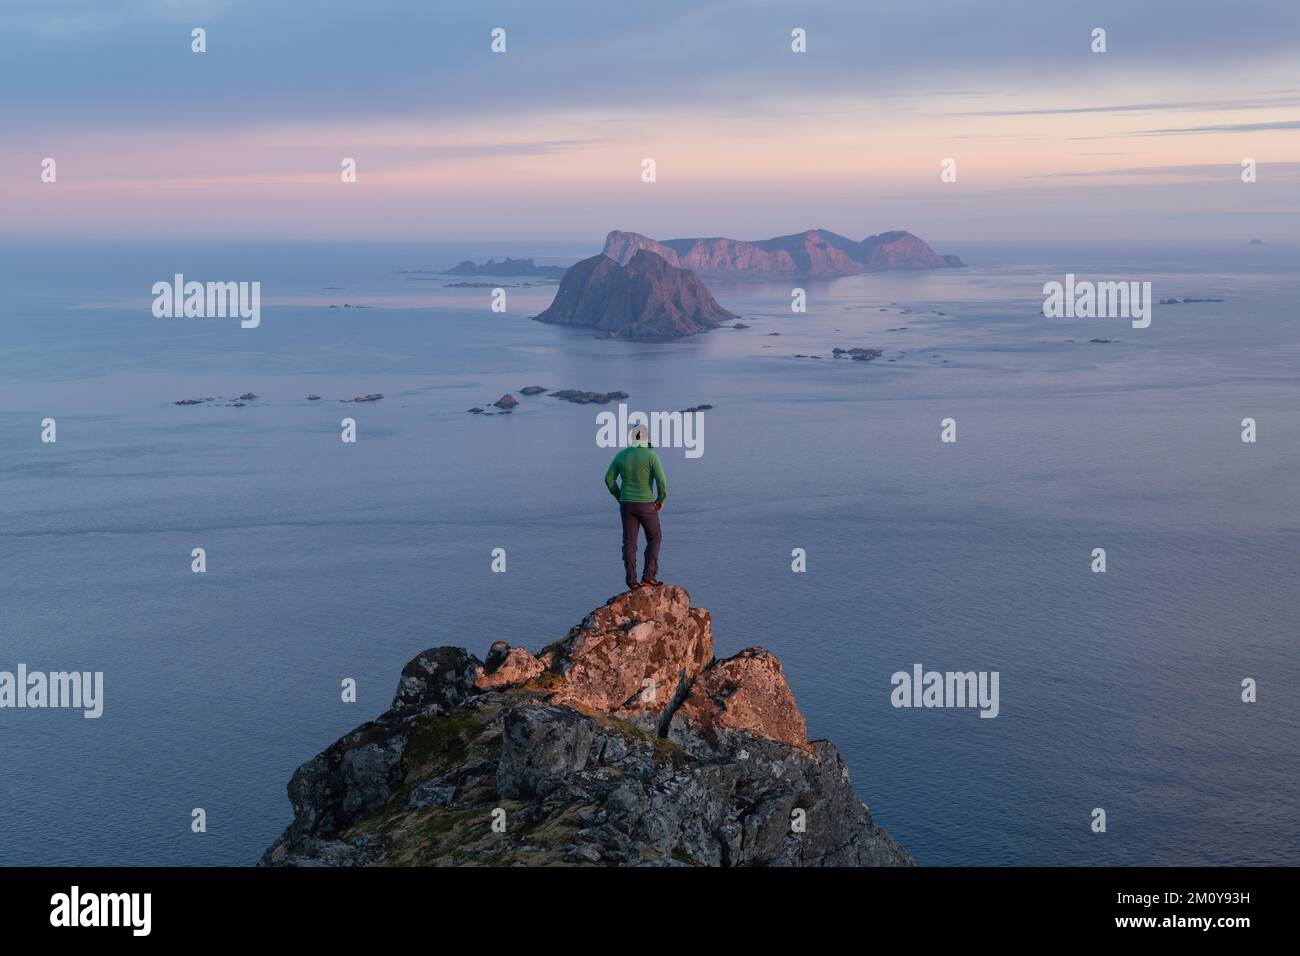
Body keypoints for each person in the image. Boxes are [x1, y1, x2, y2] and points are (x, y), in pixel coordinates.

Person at [603, 424, 667, 590]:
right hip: (646, 503)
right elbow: (661, 481)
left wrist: (619, 496)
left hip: (626, 505)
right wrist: (660, 499)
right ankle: (648, 576)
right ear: (646, 438)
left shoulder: (621, 456)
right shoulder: (651, 456)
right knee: (654, 538)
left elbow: (609, 480)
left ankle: (632, 581)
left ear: (632, 438)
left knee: (629, 542)